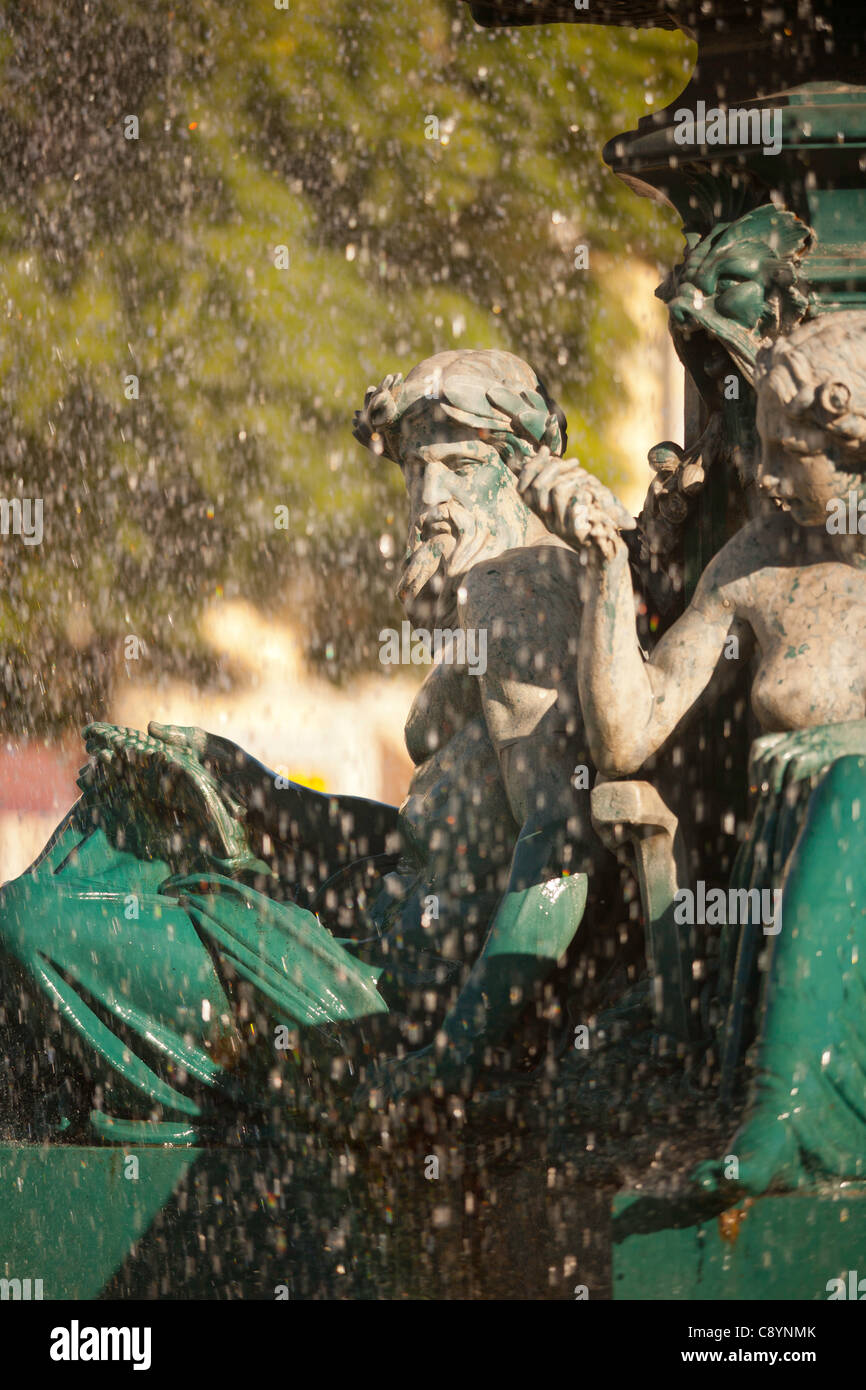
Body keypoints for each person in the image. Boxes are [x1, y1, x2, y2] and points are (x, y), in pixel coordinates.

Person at [0, 348, 624, 1144]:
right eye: (414, 471)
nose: (430, 498)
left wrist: (455, 1064)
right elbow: (425, 844)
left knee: (31, 925)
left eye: (461, 466)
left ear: (522, 471)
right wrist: (257, 791)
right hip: (368, 946)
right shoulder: (491, 602)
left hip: (382, 1008)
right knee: (126, 806)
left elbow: (557, 850)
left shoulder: (520, 599)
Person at [519, 310, 866, 1191]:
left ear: (856, 440)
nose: (768, 475)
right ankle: (782, 1115)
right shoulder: (757, 560)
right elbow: (629, 734)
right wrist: (606, 568)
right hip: (785, 889)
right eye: (763, 447)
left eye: (794, 453)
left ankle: (791, 1121)